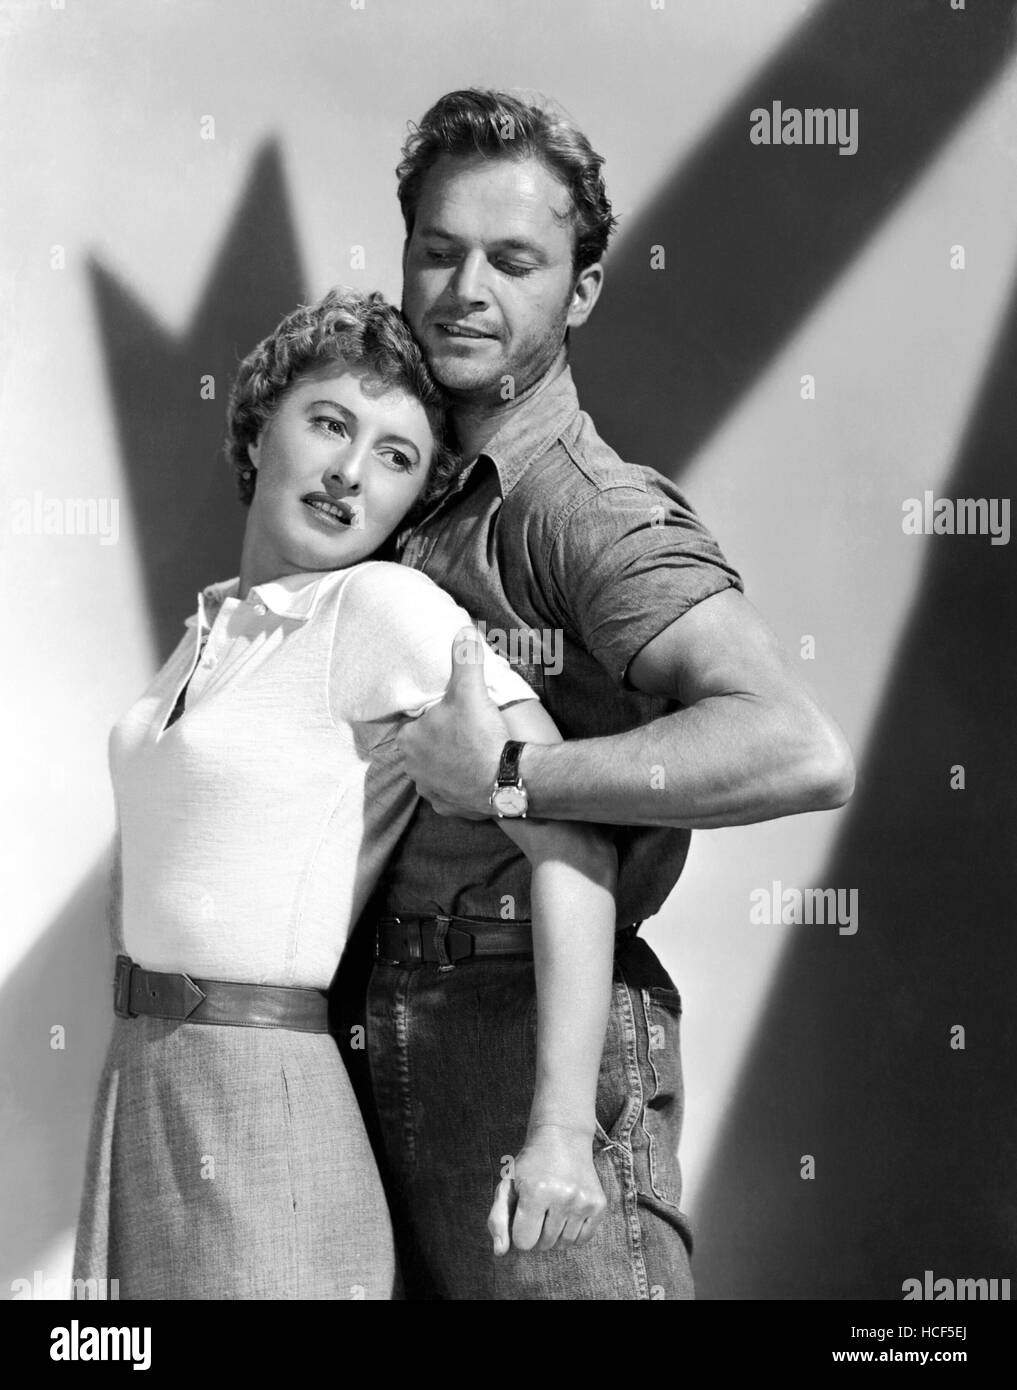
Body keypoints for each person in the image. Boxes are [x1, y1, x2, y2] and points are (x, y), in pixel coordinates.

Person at [332, 89, 856, 1301]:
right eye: (439, 250)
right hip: (371, 1012)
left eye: (515, 261)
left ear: (582, 291)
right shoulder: (394, 475)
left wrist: (514, 774)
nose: (467, 289)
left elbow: (795, 747)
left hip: (531, 1034)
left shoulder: (585, 506)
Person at [72, 286, 620, 1300]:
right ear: (260, 425)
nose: (349, 473)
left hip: (263, 1104)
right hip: (142, 1088)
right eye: (330, 422)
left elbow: (575, 839)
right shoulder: (213, 627)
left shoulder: (375, 606)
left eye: (397, 457)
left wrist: (561, 1128)